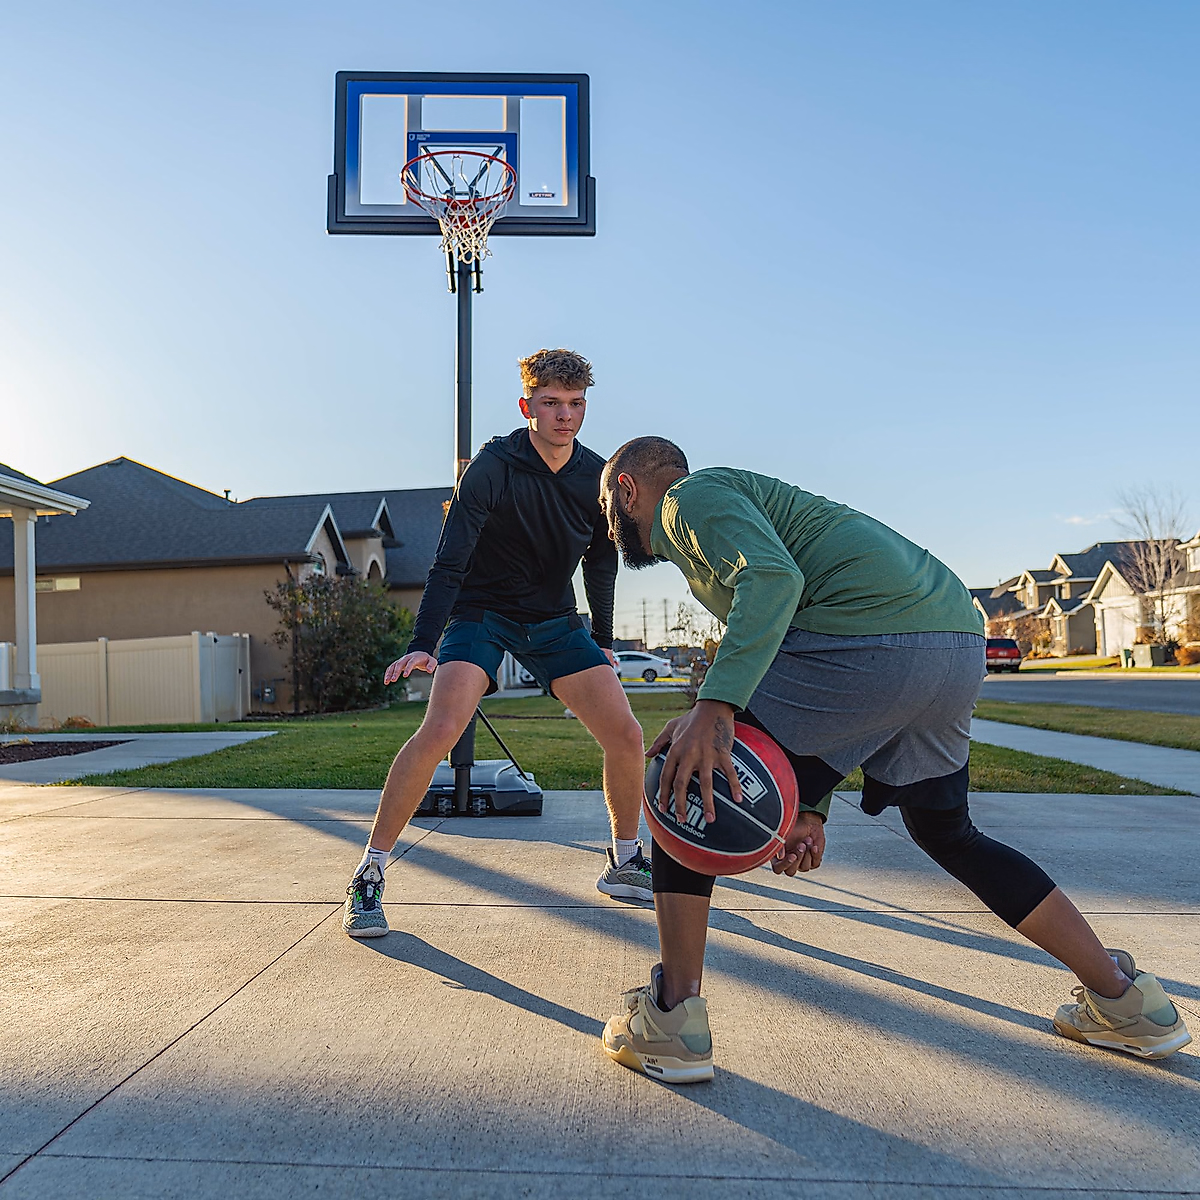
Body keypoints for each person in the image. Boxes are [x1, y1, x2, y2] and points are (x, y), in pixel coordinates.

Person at [597, 436, 1191, 1082]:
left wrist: (715, 708)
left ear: (627, 490)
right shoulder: (731, 506)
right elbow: (806, 647)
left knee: (688, 790)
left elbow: (774, 581)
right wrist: (809, 806)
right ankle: (1126, 1000)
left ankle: (673, 1022)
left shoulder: (689, 498)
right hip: (953, 640)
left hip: (875, 636)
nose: (606, 526)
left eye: (605, 508)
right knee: (949, 834)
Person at [342, 350, 651, 937]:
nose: (565, 416)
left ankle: (624, 859)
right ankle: (370, 873)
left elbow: (601, 562)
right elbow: (450, 557)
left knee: (626, 733)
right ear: (526, 406)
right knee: (440, 728)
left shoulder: (596, 477)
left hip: (555, 620)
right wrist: (424, 640)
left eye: (576, 404)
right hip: (482, 614)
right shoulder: (492, 466)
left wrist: (604, 639)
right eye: (552, 404)